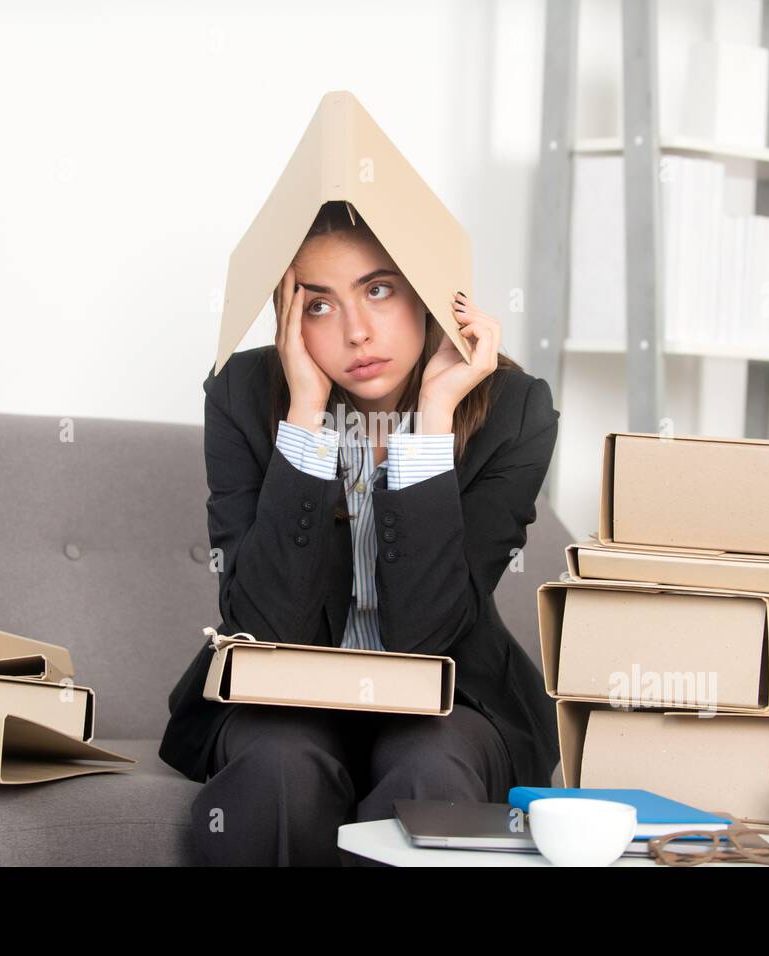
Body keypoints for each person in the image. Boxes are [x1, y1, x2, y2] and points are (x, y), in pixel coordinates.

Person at [158, 200, 560, 865]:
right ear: (287, 318)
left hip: (450, 697)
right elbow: (264, 623)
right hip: (283, 698)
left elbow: (425, 635)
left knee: (430, 765)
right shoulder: (240, 393)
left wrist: (432, 420)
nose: (357, 332)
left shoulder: (514, 412)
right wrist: (306, 417)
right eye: (318, 305)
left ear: (428, 290)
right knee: (278, 762)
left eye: (378, 290)